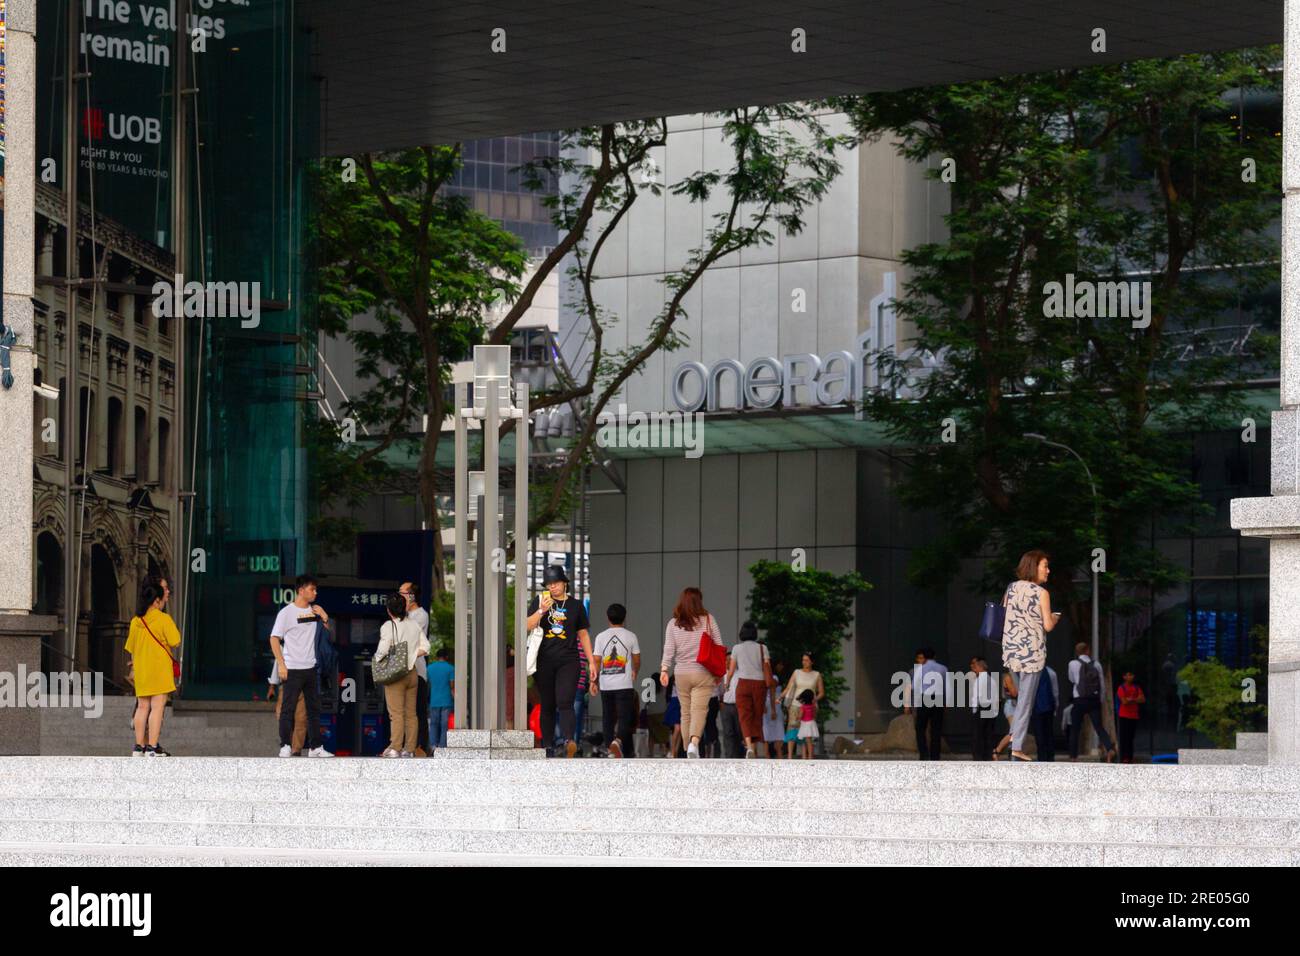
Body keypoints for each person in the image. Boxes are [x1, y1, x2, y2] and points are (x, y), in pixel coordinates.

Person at [526, 564, 596, 758]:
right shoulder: (540, 601)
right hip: (544, 660)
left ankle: (568, 741)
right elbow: (527, 625)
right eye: (549, 584)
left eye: (556, 583)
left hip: (569, 660)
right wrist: (541, 611)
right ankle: (548, 745)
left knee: (566, 701)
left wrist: (591, 662)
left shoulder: (576, 605)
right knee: (547, 703)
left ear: (565, 583)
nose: (552, 587)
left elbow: (583, 635)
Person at [1000, 549, 1062, 761]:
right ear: (1034, 567)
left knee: (1022, 701)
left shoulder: (1011, 588)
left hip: (1011, 652)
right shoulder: (1041, 593)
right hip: (1032, 655)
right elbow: (1047, 625)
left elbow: (1004, 614)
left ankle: (1014, 742)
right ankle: (1016, 746)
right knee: (1026, 700)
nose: (1048, 570)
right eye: (1045, 566)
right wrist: (1054, 618)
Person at [269, 574, 335, 758]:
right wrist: (281, 664)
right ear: (301, 590)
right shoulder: (286, 613)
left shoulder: (315, 611)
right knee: (287, 710)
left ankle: (316, 747)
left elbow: (328, 638)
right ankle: (285, 745)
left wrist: (324, 618)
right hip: (292, 668)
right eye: (312, 589)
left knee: (314, 710)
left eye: (315, 589)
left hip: (311, 668)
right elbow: (274, 639)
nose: (315, 592)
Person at [659, 587, 725, 759]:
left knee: (685, 712)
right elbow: (719, 645)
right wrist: (719, 673)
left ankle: (688, 746)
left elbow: (668, 649)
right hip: (703, 672)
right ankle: (694, 743)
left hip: (681, 674)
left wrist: (664, 669)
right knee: (699, 710)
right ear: (699, 601)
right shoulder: (708, 619)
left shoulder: (673, 624)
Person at [125, 576, 181, 757]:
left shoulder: (135, 621)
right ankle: (152, 747)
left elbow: (131, 648)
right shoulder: (163, 619)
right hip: (159, 670)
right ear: (156, 600)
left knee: (142, 707)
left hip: (142, 670)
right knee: (157, 707)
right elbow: (176, 640)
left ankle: (138, 747)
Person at [375, 591, 430, 757]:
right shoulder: (413, 624)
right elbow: (426, 647)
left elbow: (383, 650)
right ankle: (410, 748)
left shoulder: (387, 626)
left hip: (395, 674)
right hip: (412, 672)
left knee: (396, 713)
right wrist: (411, 656)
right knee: (411, 714)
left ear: (389, 610)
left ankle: (395, 747)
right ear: (404, 608)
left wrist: (378, 660)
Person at [593, 603, 641, 758]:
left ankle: (609, 749)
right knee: (624, 716)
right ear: (624, 618)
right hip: (624, 684)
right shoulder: (631, 636)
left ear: (608, 618)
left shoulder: (600, 637)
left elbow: (597, 661)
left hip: (606, 684)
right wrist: (635, 670)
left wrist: (593, 682)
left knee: (607, 716)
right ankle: (618, 741)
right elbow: (637, 659)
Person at [728, 620, 774, 758]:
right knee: (757, 715)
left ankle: (749, 746)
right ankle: (752, 747)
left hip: (743, 684)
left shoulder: (736, 648)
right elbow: (768, 667)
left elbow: (731, 670)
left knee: (744, 716)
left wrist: (727, 683)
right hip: (759, 684)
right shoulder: (762, 648)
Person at [1068, 641, 1116, 762]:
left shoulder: (1073, 663)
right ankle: (1110, 748)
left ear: (1077, 652)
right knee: (1099, 727)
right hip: (1094, 700)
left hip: (1079, 700)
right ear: (1088, 651)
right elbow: (1102, 685)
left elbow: (1071, 679)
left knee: (1075, 729)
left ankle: (1073, 757)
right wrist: (1100, 700)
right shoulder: (1097, 665)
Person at [400, 582, 431, 756]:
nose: (400, 596)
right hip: (402, 671)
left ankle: (421, 746)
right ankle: (404, 744)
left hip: (416, 671)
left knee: (417, 710)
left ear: (411, 596)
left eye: (402, 593)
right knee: (402, 710)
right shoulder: (402, 615)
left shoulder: (420, 615)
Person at [904, 647, 948, 760]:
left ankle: (923, 754)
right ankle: (935, 756)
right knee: (936, 729)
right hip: (938, 698)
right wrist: (946, 702)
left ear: (925, 657)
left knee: (920, 728)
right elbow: (947, 686)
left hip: (925, 698)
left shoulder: (920, 669)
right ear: (934, 656)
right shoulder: (943, 668)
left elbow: (913, 686)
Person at [782, 653, 824, 758]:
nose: (804, 662)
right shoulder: (797, 672)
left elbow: (821, 692)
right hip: (796, 704)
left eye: (806, 660)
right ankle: (790, 756)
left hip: (810, 706)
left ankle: (805, 756)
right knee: (792, 728)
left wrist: (815, 699)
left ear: (812, 662)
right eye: (803, 660)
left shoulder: (817, 674)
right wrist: (780, 698)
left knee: (807, 730)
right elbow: (788, 688)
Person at [267, 659, 306, 755]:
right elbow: (277, 666)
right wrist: (272, 687)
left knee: (301, 719)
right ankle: (286, 745)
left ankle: (296, 749)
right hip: (285, 685)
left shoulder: (306, 646)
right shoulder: (282, 647)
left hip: (303, 686)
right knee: (282, 715)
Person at [427, 647, 455, 750]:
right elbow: (452, 685)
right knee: (444, 725)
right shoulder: (451, 668)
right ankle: (443, 746)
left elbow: (428, 683)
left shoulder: (429, 668)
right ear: (446, 657)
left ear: (437, 657)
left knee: (434, 724)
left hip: (434, 701)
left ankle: (433, 745)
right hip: (446, 700)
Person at [969, 656, 997, 761]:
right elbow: (995, 697)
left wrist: (974, 711)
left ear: (981, 667)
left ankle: (978, 757)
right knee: (988, 733)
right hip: (990, 708)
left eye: (975, 666)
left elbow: (977, 696)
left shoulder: (979, 680)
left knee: (978, 734)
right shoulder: (992, 679)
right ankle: (987, 755)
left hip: (981, 708)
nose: (973, 668)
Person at [1116, 670, 1146, 764]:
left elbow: (1143, 699)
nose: (1131, 677)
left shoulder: (1137, 688)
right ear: (1124, 677)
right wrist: (1135, 699)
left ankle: (1130, 757)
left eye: (1132, 675)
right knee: (1124, 737)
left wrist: (1131, 699)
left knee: (1131, 737)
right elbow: (1124, 701)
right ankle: (1124, 757)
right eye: (1128, 675)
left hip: (1133, 716)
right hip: (1124, 715)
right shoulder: (1121, 688)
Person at [1033, 664, 1060, 762]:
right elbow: (1055, 692)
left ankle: (1042, 757)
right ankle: (1050, 757)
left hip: (1037, 707)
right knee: (1049, 733)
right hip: (1049, 706)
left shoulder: (1032, 672)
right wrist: (1056, 707)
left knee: (1039, 734)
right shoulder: (1051, 672)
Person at [720, 650, 744, 758]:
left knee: (739, 731)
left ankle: (739, 755)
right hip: (726, 706)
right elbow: (718, 691)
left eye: (731, 660)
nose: (728, 662)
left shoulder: (740, 674)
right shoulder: (721, 675)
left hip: (739, 706)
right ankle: (729, 756)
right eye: (726, 660)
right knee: (728, 732)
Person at [992, 670, 1018, 760]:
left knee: (1015, 731)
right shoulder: (1008, 677)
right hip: (1011, 705)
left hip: (1016, 705)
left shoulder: (1016, 677)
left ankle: (1011, 753)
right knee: (1014, 731)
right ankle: (997, 750)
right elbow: (1014, 693)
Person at [795, 689, 819, 759]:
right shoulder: (813, 706)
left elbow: (800, 716)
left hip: (805, 724)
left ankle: (808, 756)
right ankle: (808, 756)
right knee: (809, 741)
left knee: (805, 741)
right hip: (811, 723)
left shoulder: (802, 707)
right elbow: (814, 715)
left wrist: (797, 717)